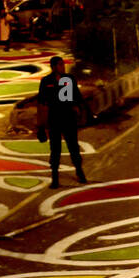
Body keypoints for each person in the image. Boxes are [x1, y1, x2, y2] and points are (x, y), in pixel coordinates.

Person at [37, 55, 88, 189]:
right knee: (55, 149)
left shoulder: (69, 79)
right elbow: (41, 103)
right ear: (53, 67)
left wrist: (80, 110)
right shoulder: (46, 81)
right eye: (60, 64)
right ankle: (55, 177)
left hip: (68, 118)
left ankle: (79, 171)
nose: (63, 67)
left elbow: (77, 97)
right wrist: (41, 126)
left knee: (73, 147)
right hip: (54, 119)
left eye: (63, 64)